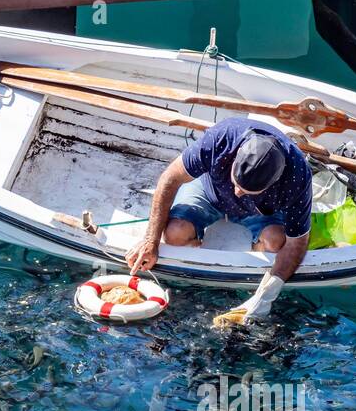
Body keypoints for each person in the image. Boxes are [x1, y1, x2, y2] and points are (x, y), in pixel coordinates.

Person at [125, 117, 311, 326]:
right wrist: (150, 240)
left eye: (248, 191)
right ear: (236, 156)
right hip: (209, 192)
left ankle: (255, 245)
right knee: (175, 234)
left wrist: (268, 294)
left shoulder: (298, 177)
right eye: (236, 183)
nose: (238, 192)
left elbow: (298, 242)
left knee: (276, 242)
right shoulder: (221, 139)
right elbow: (171, 178)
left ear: (274, 182)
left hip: (257, 211)